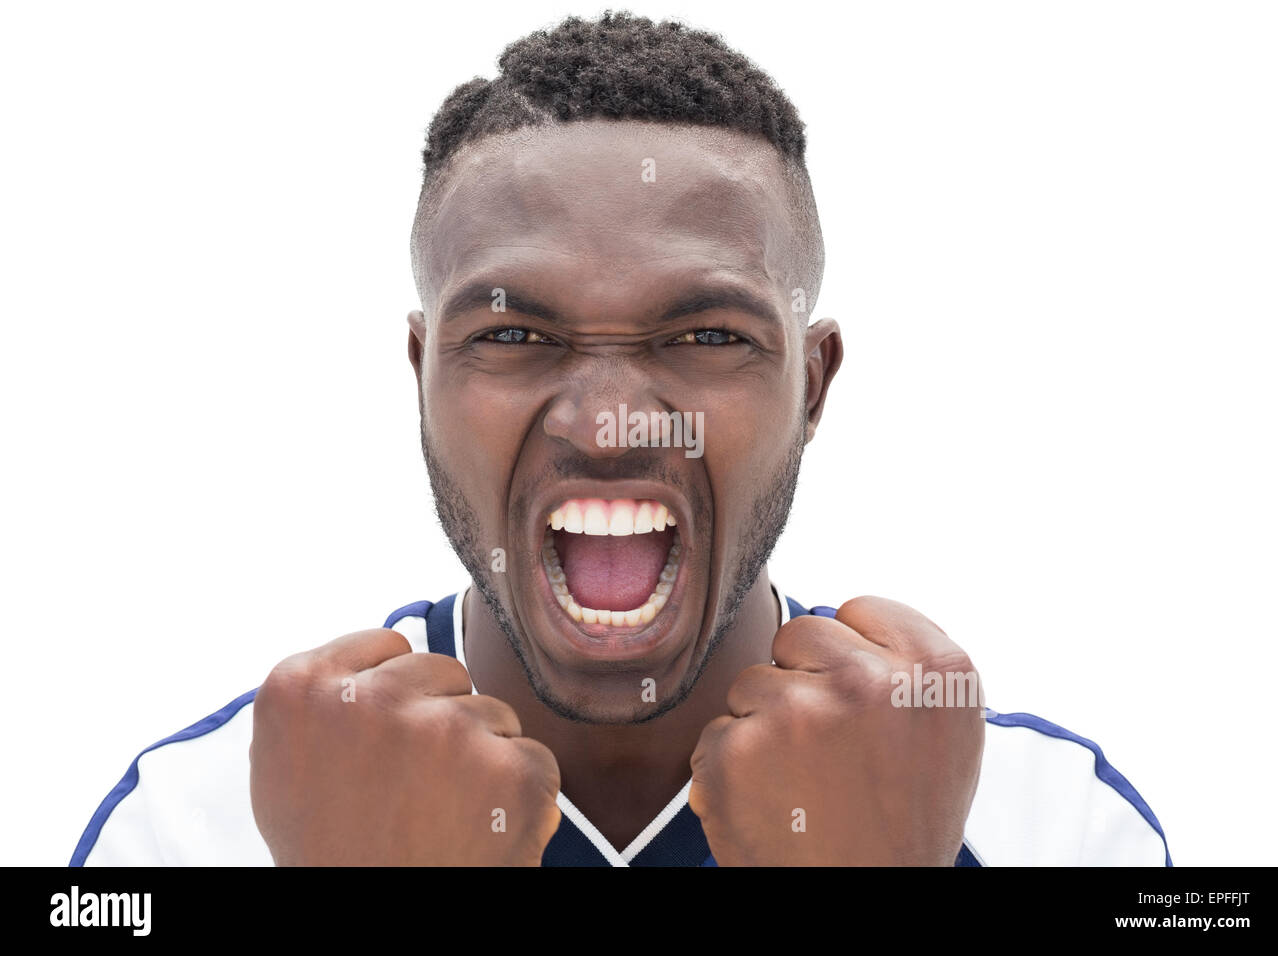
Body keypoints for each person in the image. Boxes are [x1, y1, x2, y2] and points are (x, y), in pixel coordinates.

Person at [70, 10, 1170, 867]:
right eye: (512, 332)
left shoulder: (1051, 823)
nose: (609, 421)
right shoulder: (196, 820)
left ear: (814, 381)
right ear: (422, 376)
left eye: (703, 332)